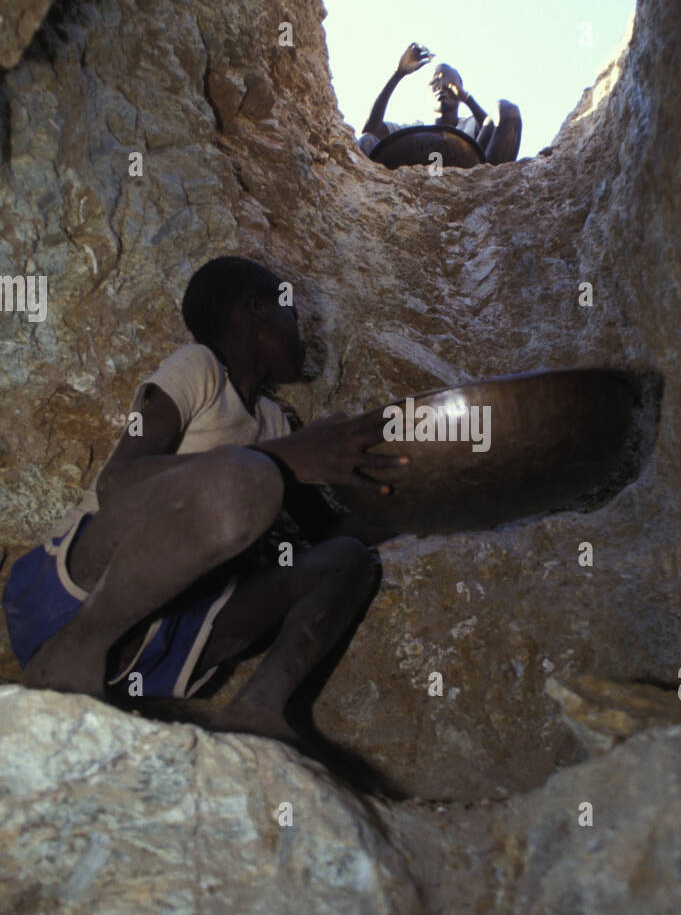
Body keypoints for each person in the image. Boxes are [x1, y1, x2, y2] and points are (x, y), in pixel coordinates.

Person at [3, 256, 409, 749]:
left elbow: (326, 532)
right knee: (245, 479)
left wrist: (420, 508)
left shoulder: (276, 423)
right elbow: (118, 481)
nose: (301, 333)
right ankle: (78, 649)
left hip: (170, 635)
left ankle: (256, 711)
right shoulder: (196, 368)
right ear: (254, 309)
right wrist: (286, 459)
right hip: (82, 593)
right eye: (293, 315)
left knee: (347, 561)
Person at [358, 42, 522, 164]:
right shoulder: (413, 130)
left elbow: (497, 128)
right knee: (366, 141)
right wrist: (398, 74)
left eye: (449, 82)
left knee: (507, 109)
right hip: (422, 179)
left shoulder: (471, 124)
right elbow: (371, 131)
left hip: (471, 175)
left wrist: (467, 99)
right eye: (434, 83)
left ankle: (487, 186)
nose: (441, 88)